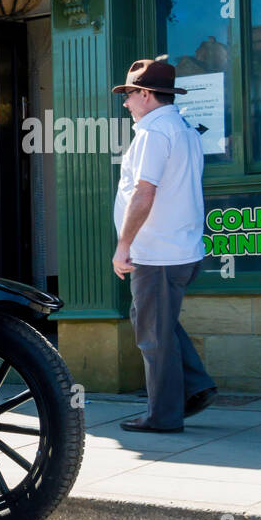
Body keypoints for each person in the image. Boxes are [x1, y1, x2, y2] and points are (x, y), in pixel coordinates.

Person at [111, 57, 216, 433]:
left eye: (129, 95)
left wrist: (123, 246)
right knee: (154, 322)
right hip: (181, 249)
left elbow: (144, 193)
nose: (125, 103)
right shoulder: (184, 129)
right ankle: (197, 385)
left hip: (156, 254)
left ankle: (163, 416)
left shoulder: (154, 134)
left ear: (145, 94)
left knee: (154, 336)